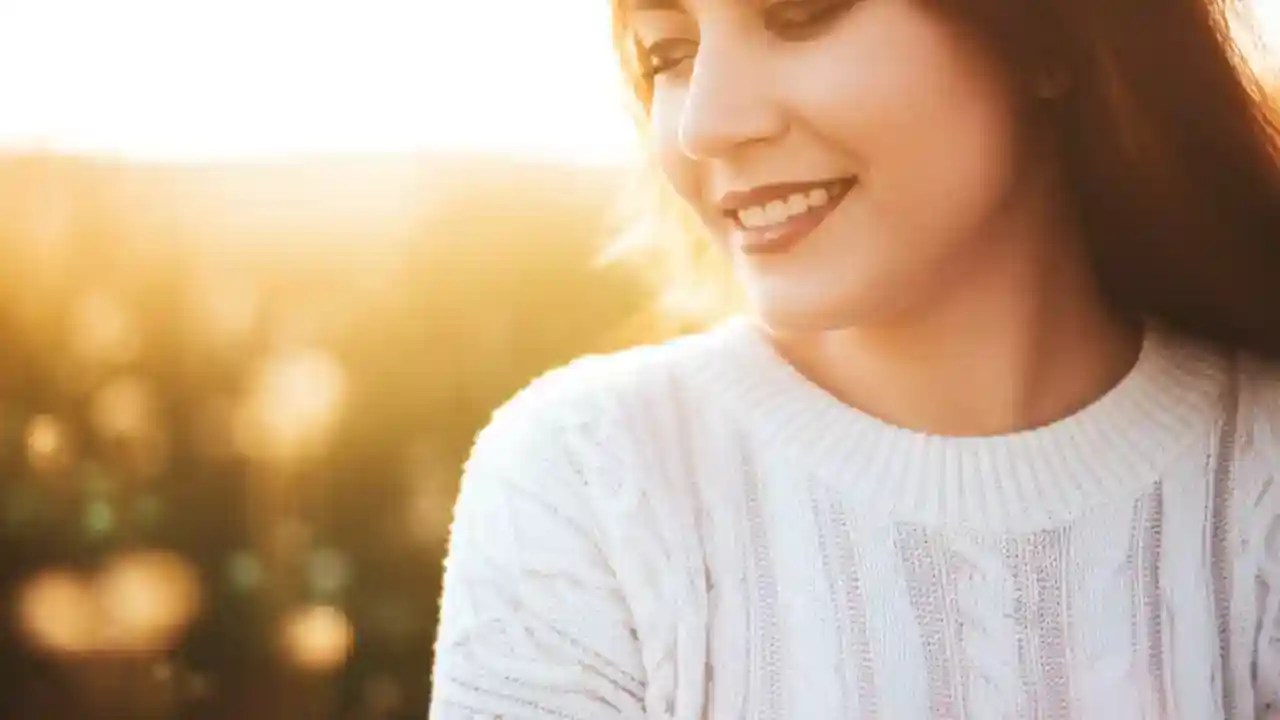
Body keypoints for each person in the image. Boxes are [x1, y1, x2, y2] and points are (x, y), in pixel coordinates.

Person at [429, 0, 1280, 716]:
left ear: (1046, 39)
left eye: (800, 15)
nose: (710, 123)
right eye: (670, 54)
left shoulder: (1259, 483)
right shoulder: (590, 481)